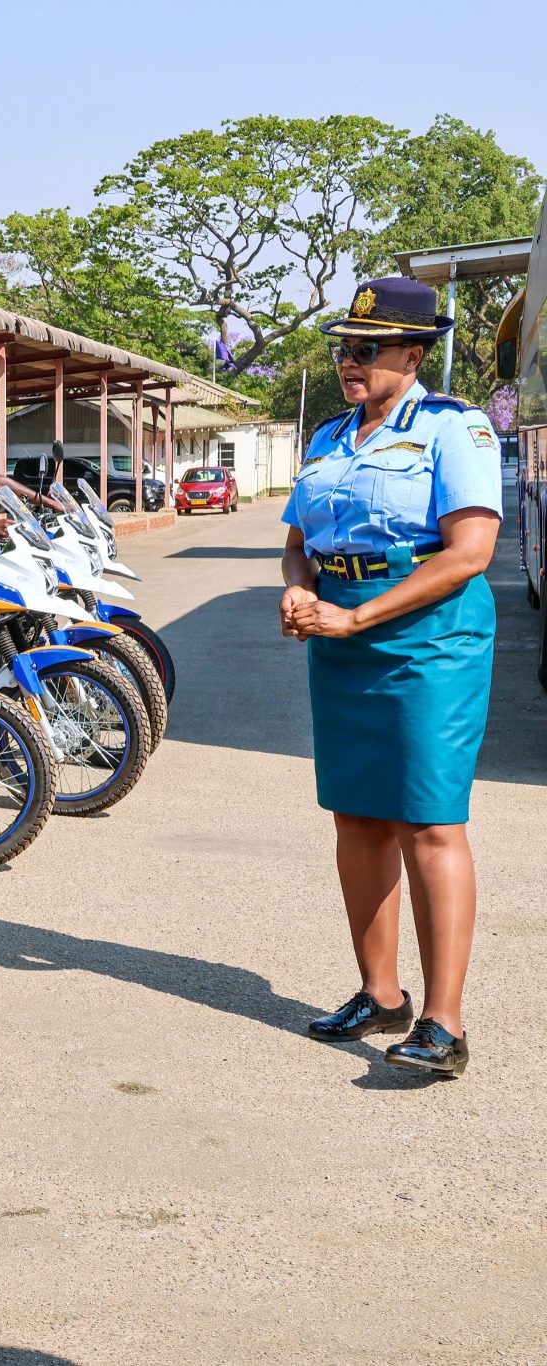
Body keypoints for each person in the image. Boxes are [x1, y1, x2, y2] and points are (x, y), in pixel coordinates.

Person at [279, 276, 501, 1076]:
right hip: (340, 632)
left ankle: (444, 1024)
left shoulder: (455, 428)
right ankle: (381, 996)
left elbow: (468, 555)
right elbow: (300, 536)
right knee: (357, 817)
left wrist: (356, 617)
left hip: (427, 634)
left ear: (414, 352)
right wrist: (300, 584)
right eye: (344, 346)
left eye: (367, 348)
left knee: (428, 821)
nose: (350, 360)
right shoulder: (330, 435)